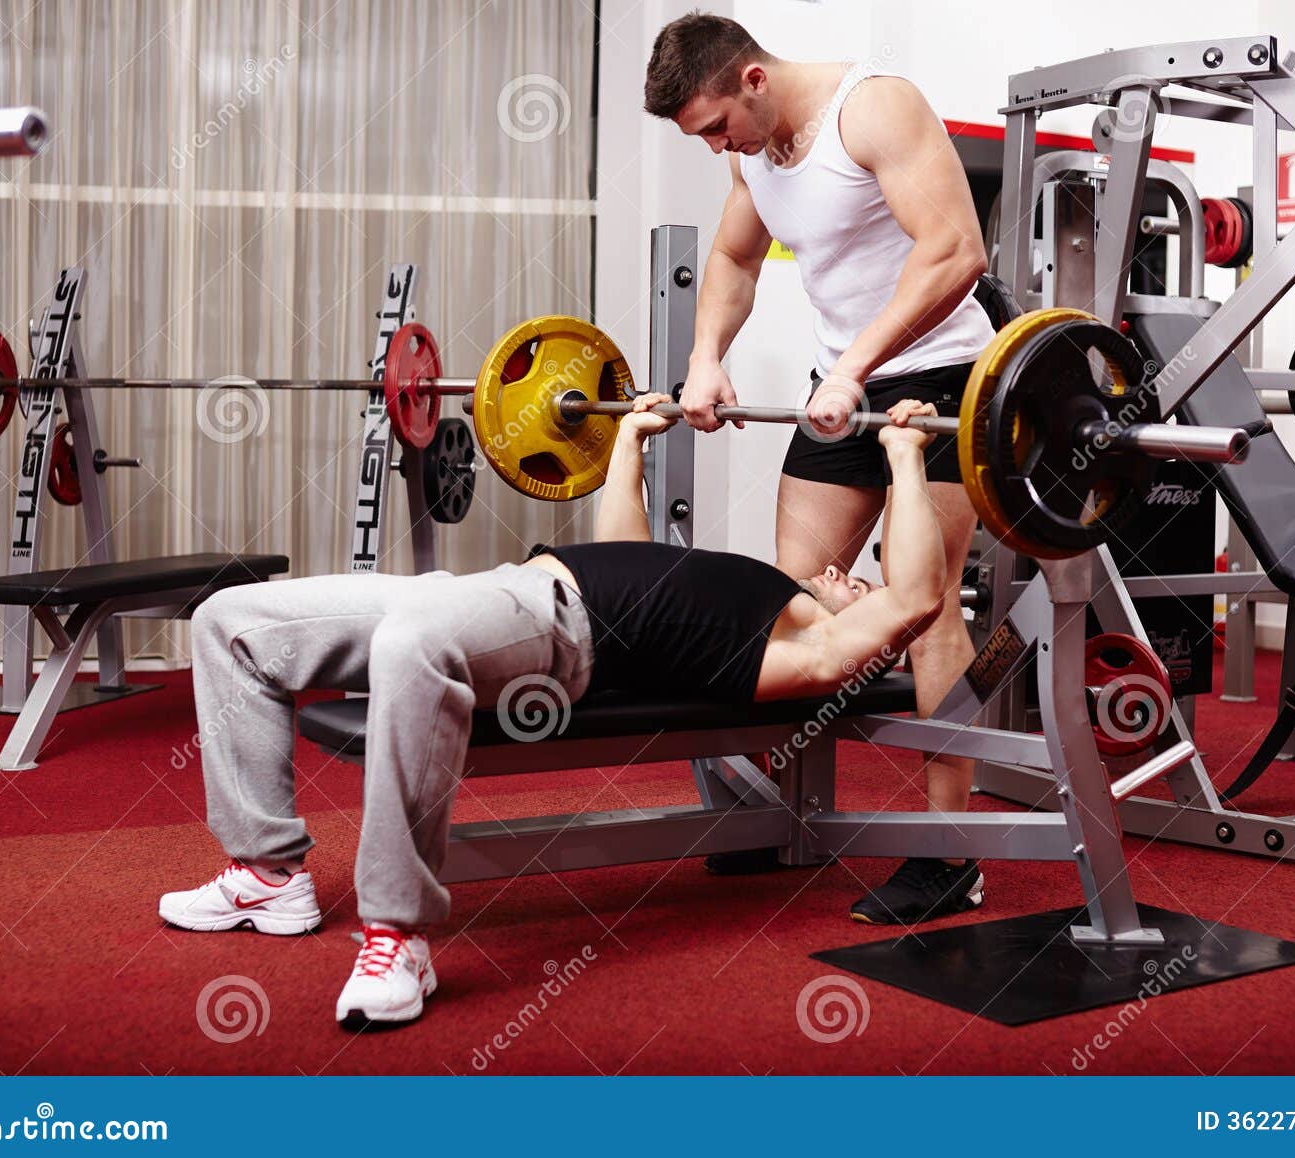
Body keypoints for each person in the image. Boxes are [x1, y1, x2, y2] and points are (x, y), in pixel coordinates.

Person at [159, 395, 970, 1028]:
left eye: (858, 590)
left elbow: (918, 596)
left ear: (871, 645)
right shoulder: (757, 588)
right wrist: (630, 443)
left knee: (410, 644)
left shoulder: (806, 655)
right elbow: (630, 550)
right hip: (492, 591)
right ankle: (266, 874)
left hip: (550, 628)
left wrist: (902, 456)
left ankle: (397, 938)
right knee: (231, 621)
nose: (846, 576)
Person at [642, 13, 993, 923]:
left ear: (751, 79)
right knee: (791, 600)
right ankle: (785, 818)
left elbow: (954, 250)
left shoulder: (873, 108)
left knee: (925, 604)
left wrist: (852, 367)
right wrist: (705, 358)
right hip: (843, 387)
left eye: (719, 127)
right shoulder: (752, 150)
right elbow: (733, 254)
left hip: (948, 381)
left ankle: (949, 855)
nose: (721, 147)